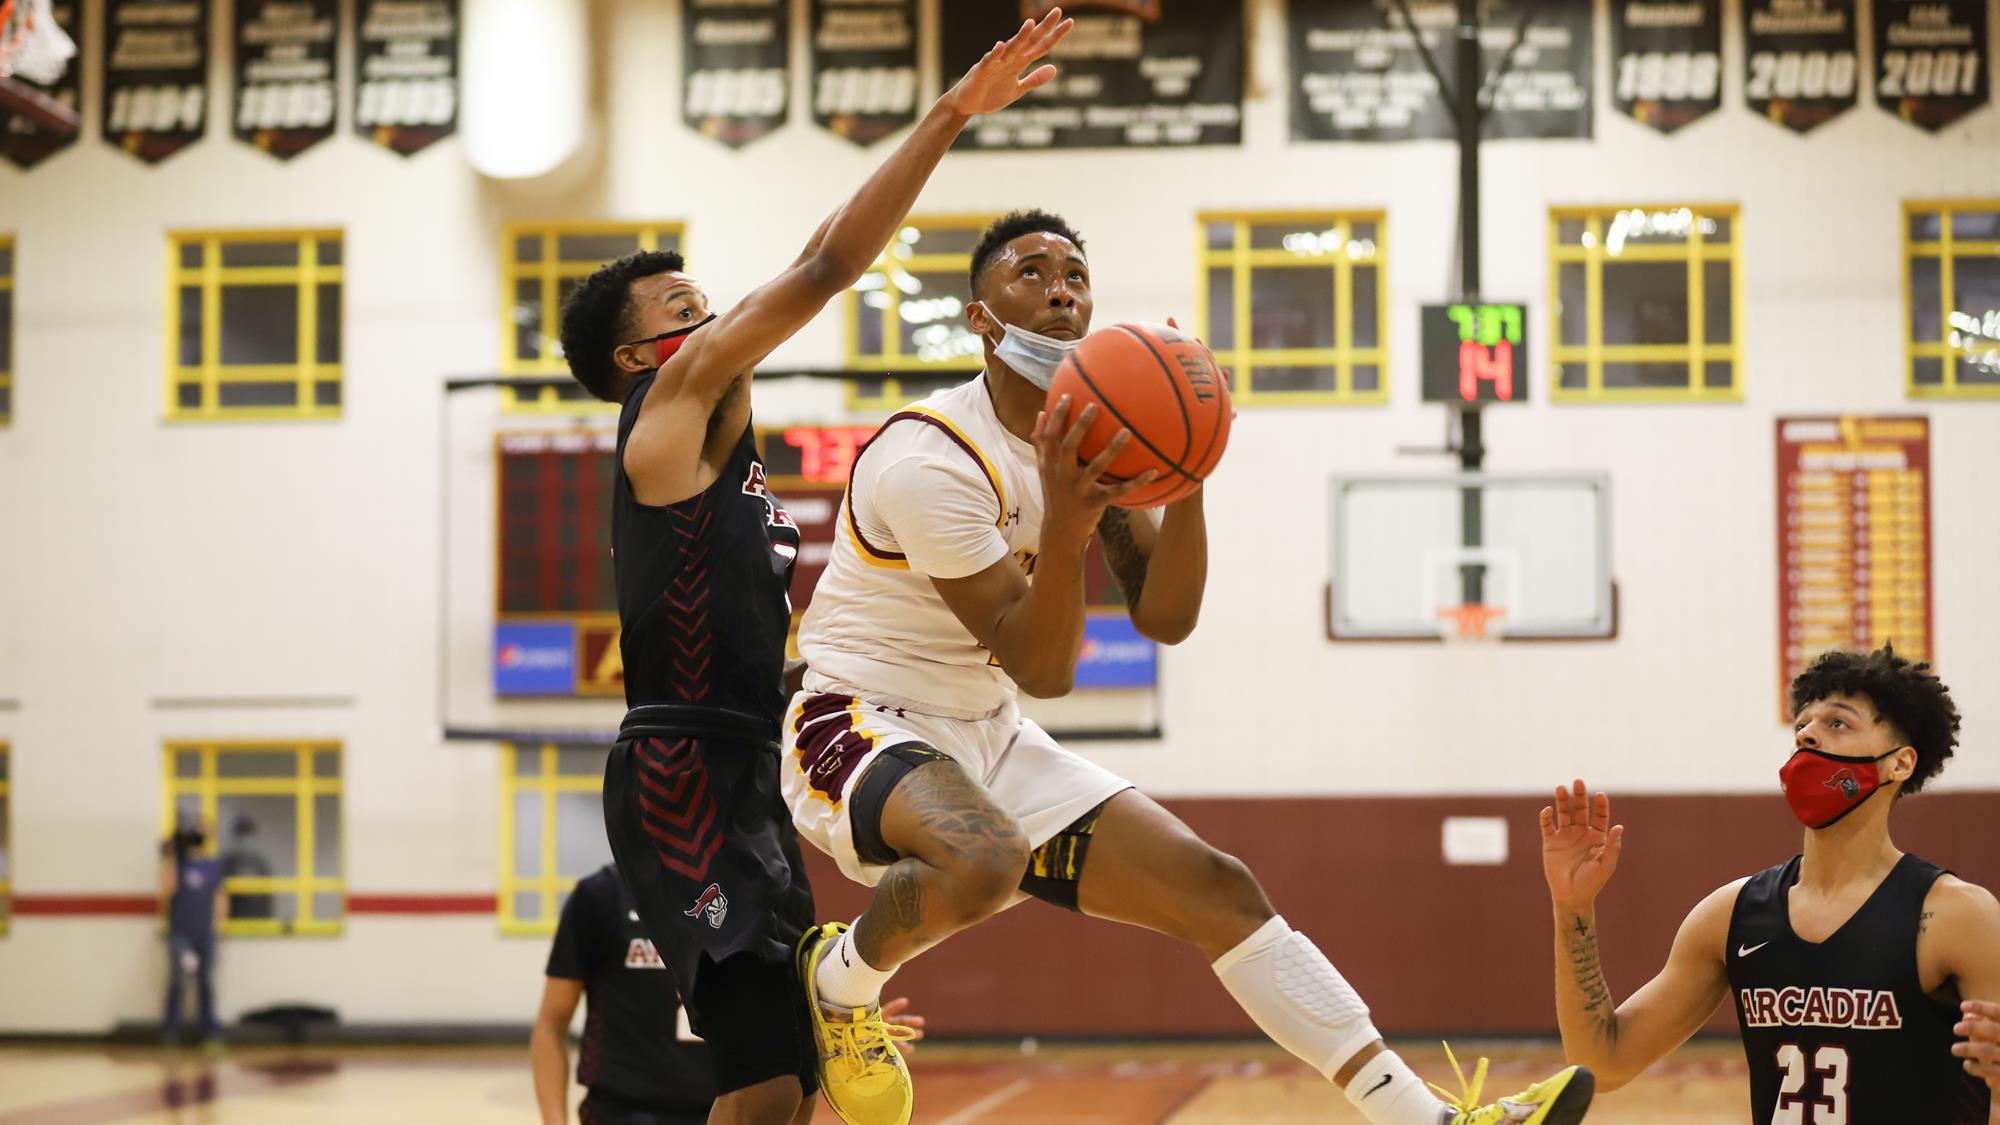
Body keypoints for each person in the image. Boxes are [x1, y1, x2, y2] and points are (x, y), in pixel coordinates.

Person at [778, 208, 1595, 1125]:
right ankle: (841, 983)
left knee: (1220, 889)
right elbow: (1045, 666)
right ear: (981, 317)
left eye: (1076, 277)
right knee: (987, 857)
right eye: (1031, 272)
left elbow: (1166, 615)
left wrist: (1188, 476)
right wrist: (1071, 517)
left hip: (988, 729)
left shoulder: (1092, 440)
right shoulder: (929, 459)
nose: (1060, 289)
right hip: (862, 715)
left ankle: (1429, 1120)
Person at [556, 13, 1074, 1125]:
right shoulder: (662, 417)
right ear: (641, 358)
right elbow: (832, 263)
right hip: (680, 773)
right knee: (757, 1084)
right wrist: (949, 115)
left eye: (707, 302)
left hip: (748, 763)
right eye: (685, 313)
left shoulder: (723, 462)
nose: (714, 318)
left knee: (780, 1092)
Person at [1541, 644, 1999, 1121]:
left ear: (1899, 764)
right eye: (1803, 724)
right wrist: (1571, 905)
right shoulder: (1732, 914)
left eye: (1837, 723)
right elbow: (1603, 1062)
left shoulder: (1956, 916)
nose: (1809, 735)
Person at [529, 862, 932, 1125]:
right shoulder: (599, 897)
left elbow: (782, 1006)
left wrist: (839, 1018)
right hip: (624, 1111)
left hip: (732, 1108)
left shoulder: (758, 901)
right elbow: (551, 1022)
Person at [159, 817, 227, 1049]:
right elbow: (167, 890)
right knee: (178, 979)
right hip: (181, 934)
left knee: (206, 982)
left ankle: (209, 1031)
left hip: (205, 934)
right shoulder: (179, 864)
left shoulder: (212, 866)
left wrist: (218, 925)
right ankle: (170, 1030)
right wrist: (173, 856)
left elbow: (220, 895)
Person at [219, 815, 275, 920]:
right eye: (241, 834)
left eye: (247, 834)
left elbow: (267, 894)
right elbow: (221, 894)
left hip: (257, 919)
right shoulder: (227, 861)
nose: (244, 839)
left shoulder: (260, 862)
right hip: (234, 919)